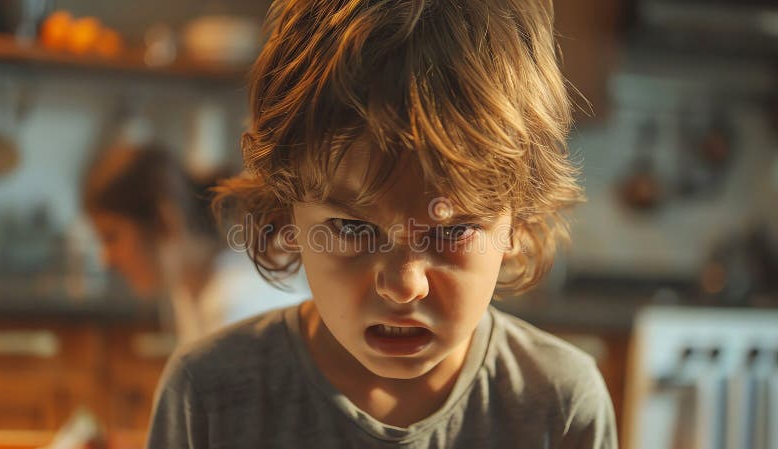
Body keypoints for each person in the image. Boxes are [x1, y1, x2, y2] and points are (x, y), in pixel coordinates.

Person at [147, 0, 618, 447]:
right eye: (353, 229)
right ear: (285, 214)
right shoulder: (209, 397)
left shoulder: (559, 406)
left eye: (452, 231)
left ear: (518, 220)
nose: (403, 285)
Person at [83, 144, 309, 344]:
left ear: (164, 222)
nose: (106, 258)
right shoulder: (188, 292)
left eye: (111, 236)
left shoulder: (239, 304)